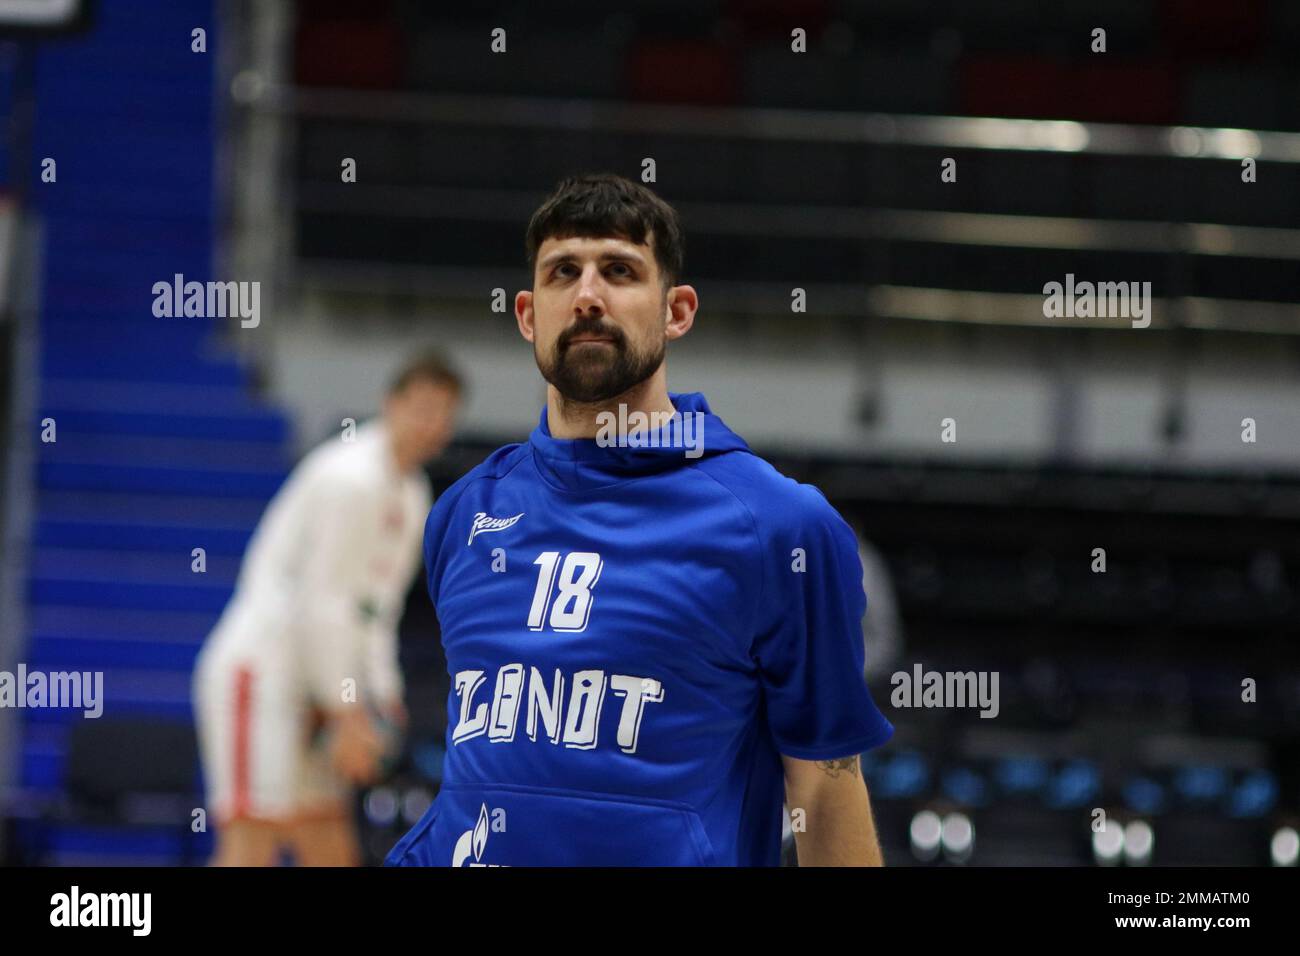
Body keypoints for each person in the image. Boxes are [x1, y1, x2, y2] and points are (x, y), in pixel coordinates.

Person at [387, 173, 892, 867]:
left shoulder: (780, 527)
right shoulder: (465, 513)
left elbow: (825, 786)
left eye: (619, 271)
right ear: (529, 315)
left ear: (677, 310)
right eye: (564, 272)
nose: (588, 295)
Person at [194, 352, 462, 865]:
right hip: (263, 670)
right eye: (423, 407)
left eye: (445, 412)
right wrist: (348, 712)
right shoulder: (350, 477)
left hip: (319, 688)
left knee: (326, 842)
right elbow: (324, 603)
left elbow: (375, 613)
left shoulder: (411, 494)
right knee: (253, 842)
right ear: (391, 404)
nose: (433, 423)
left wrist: (385, 700)